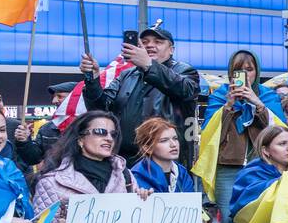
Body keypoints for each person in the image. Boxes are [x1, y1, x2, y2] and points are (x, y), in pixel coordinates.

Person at [191, 49, 285, 223]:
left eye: (250, 69)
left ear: (257, 72)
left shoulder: (267, 96)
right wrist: (229, 108)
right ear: (231, 74)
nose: (245, 74)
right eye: (238, 70)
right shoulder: (221, 96)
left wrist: (256, 103)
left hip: (260, 170)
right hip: (227, 171)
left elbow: (279, 132)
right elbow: (207, 134)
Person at [79, 22, 200, 167]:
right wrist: (93, 80)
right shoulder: (126, 75)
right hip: (123, 159)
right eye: (144, 42)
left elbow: (185, 90)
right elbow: (99, 110)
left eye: (158, 42)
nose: (149, 45)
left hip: (162, 160)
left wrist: (149, 65)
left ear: (171, 49)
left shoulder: (184, 71)